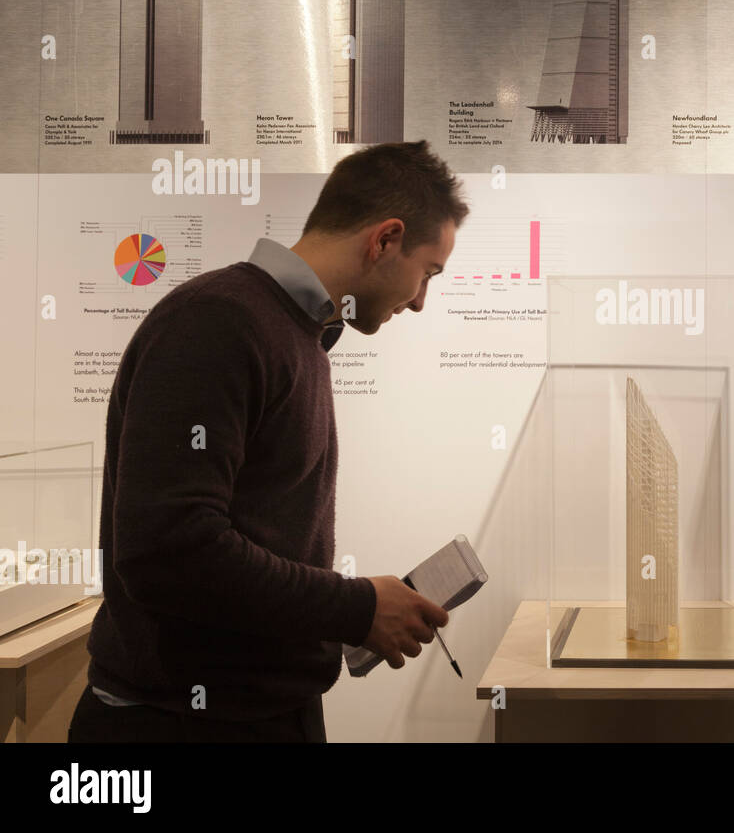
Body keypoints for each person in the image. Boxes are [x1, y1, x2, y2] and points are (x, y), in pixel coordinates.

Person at [68, 140, 469, 742]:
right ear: (384, 239)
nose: (419, 301)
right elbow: (169, 551)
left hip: (256, 713)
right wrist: (356, 608)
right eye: (427, 274)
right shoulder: (218, 321)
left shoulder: (295, 336)